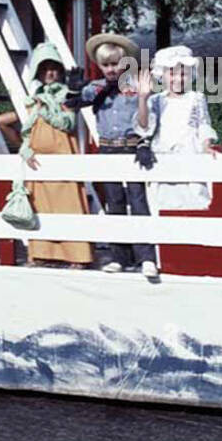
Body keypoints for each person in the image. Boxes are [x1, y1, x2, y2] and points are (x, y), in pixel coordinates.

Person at [67, 32, 158, 280]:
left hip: (131, 148)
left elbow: (146, 116)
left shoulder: (134, 87)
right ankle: (120, 256)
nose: (110, 69)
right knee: (114, 202)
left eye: (115, 63)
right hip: (107, 148)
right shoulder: (96, 88)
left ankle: (146, 256)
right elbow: (73, 101)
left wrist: (143, 141)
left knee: (138, 201)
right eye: (105, 64)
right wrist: (73, 88)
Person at [19, 42, 92, 269]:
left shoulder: (67, 94)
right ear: (38, 72)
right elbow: (27, 129)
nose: (49, 73)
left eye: (53, 68)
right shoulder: (35, 96)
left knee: (68, 204)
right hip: (38, 159)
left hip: (63, 153)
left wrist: (46, 110)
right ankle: (42, 254)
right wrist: (25, 149)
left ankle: (77, 256)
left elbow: (68, 123)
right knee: (41, 206)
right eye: (44, 68)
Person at [134, 45, 217, 213]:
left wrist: (206, 145)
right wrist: (142, 98)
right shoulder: (156, 100)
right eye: (172, 73)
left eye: (183, 73)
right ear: (162, 75)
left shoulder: (196, 98)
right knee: (164, 205)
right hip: (163, 158)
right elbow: (144, 127)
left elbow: (203, 124)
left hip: (191, 156)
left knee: (195, 202)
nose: (178, 79)